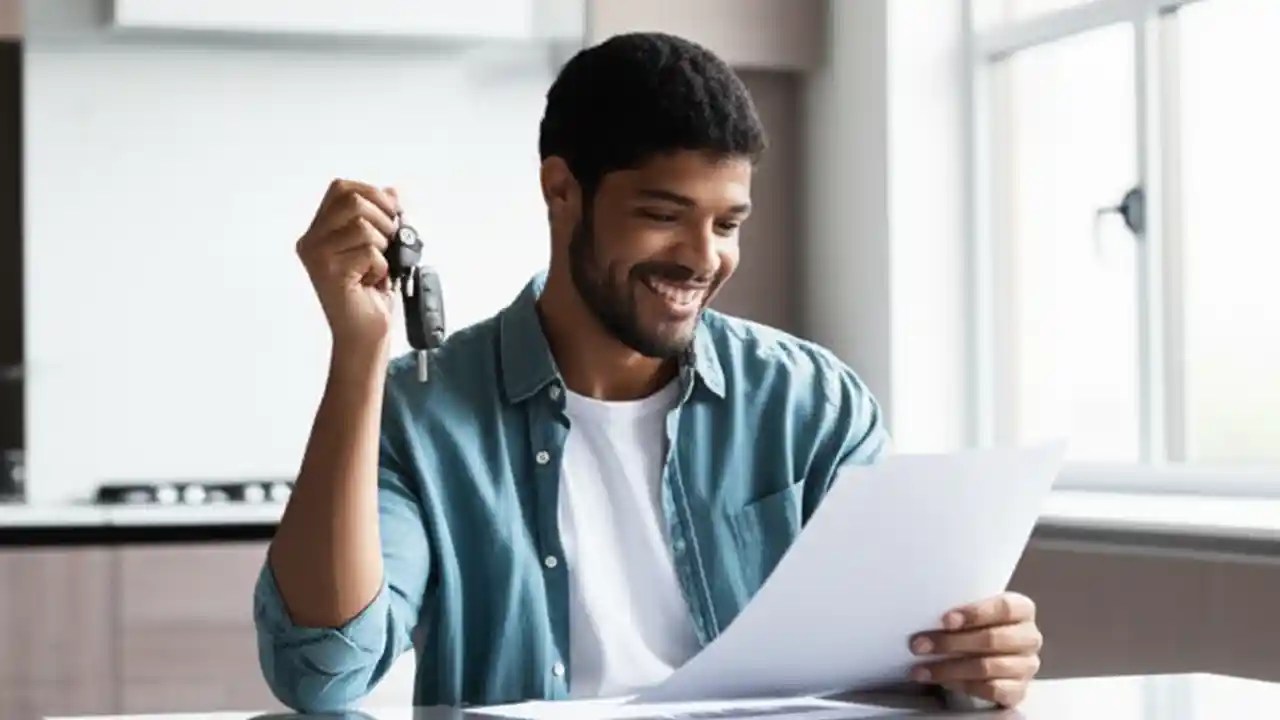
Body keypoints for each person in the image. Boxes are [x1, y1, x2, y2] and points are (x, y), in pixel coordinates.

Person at [254, 31, 1043, 713]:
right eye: (664, 216)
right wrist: (358, 352)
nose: (703, 259)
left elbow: (901, 657)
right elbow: (322, 673)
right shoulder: (426, 414)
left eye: (727, 224)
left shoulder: (812, 404)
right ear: (561, 190)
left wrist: (974, 662)